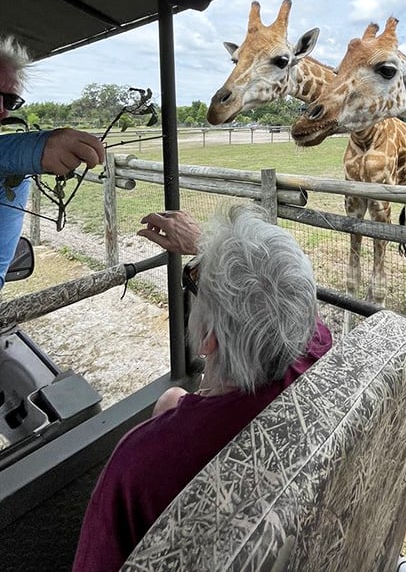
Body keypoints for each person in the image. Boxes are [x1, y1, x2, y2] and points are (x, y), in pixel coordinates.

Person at [72, 204, 332, 572]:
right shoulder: (316, 350)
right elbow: (281, 295)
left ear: (209, 339)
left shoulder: (138, 468)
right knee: (172, 399)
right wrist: (213, 250)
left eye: (196, 283)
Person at [0, 34, 105, 287]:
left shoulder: (14, 178)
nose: (1, 110)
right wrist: (33, 150)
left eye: (9, 100)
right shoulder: (17, 162)